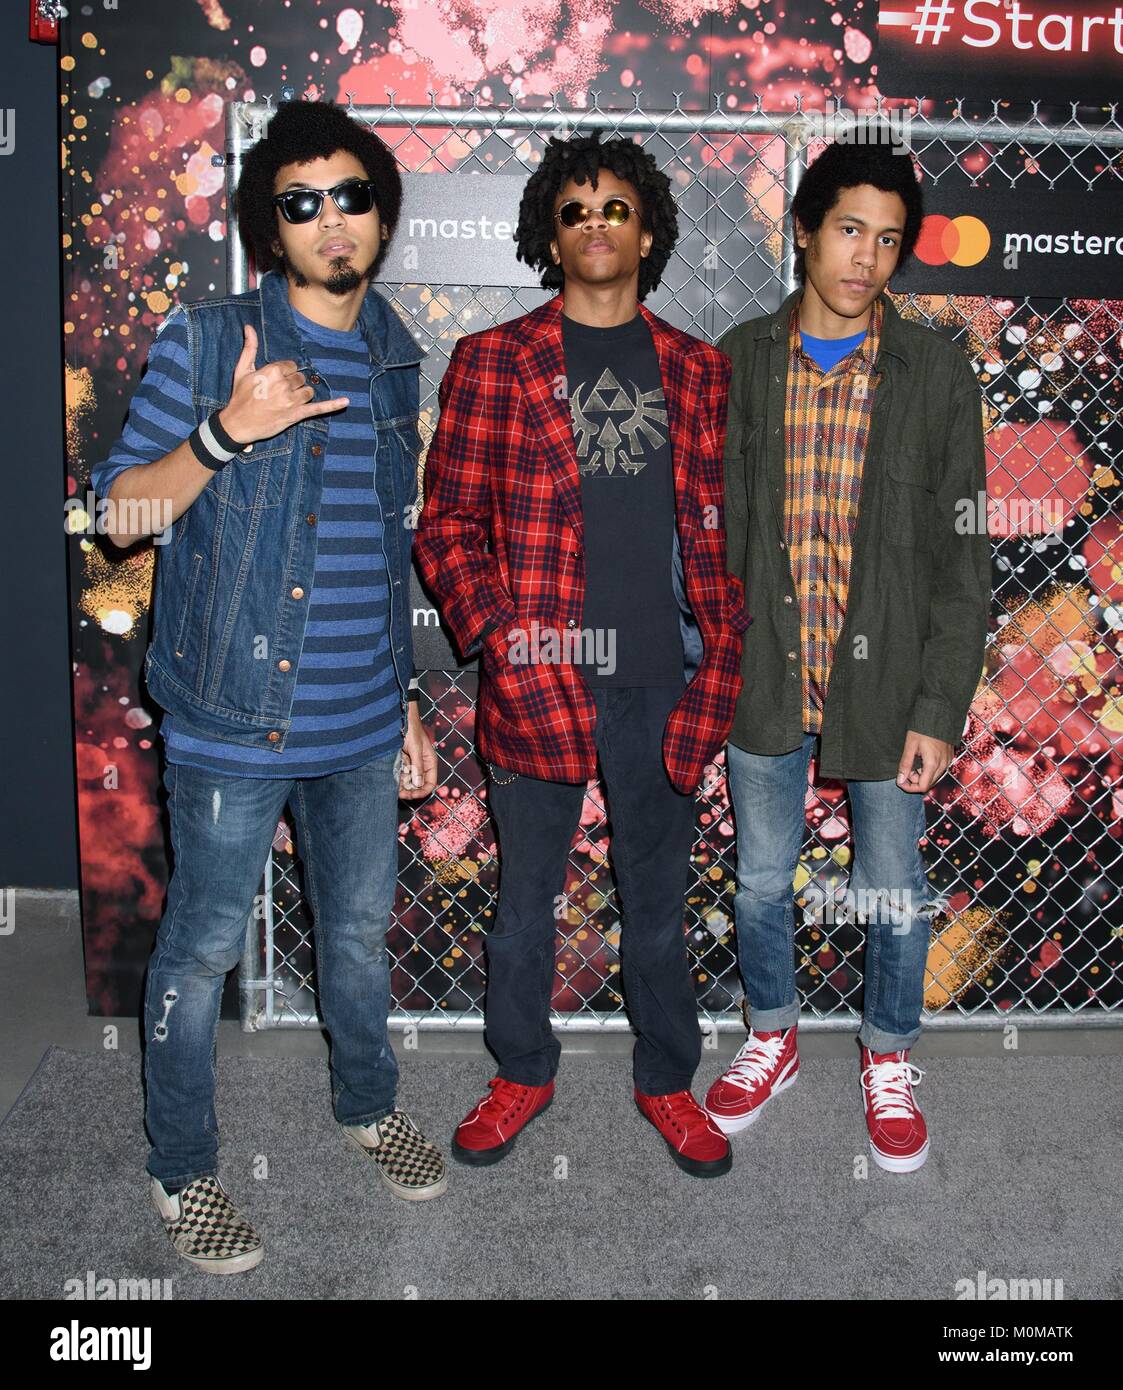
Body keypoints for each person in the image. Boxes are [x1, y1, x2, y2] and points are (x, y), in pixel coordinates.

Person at [90, 99, 447, 1274]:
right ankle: (183, 1171)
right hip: (234, 718)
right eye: (301, 203)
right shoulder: (206, 340)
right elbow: (121, 518)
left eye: (350, 195)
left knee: (353, 937)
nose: (330, 220)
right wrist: (223, 434)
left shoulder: (397, 353)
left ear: (381, 213)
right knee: (200, 952)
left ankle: (366, 1103)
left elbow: (384, 542)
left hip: (356, 723)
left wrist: (400, 700)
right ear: (268, 227)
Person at [414, 130, 751, 1178]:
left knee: (658, 903)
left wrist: (725, 644)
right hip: (538, 677)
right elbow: (448, 525)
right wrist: (502, 641)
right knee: (526, 904)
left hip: (666, 678)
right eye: (574, 211)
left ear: (648, 231)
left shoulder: (699, 371)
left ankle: (666, 1081)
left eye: (616, 208)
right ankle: (521, 1070)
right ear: (548, 239)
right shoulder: (492, 361)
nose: (596, 224)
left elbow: (725, 529)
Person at [707, 130, 991, 1172]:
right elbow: (705, 529)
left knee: (889, 882)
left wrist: (938, 706)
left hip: (888, 685)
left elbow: (962, 555)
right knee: (760, 876)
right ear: (803, 233)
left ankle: (886, 1051)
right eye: (845, 230)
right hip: (767, 674)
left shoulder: (934, 372)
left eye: (886, 238)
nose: (863, 257)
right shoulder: (738, 359)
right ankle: (772, 1034)